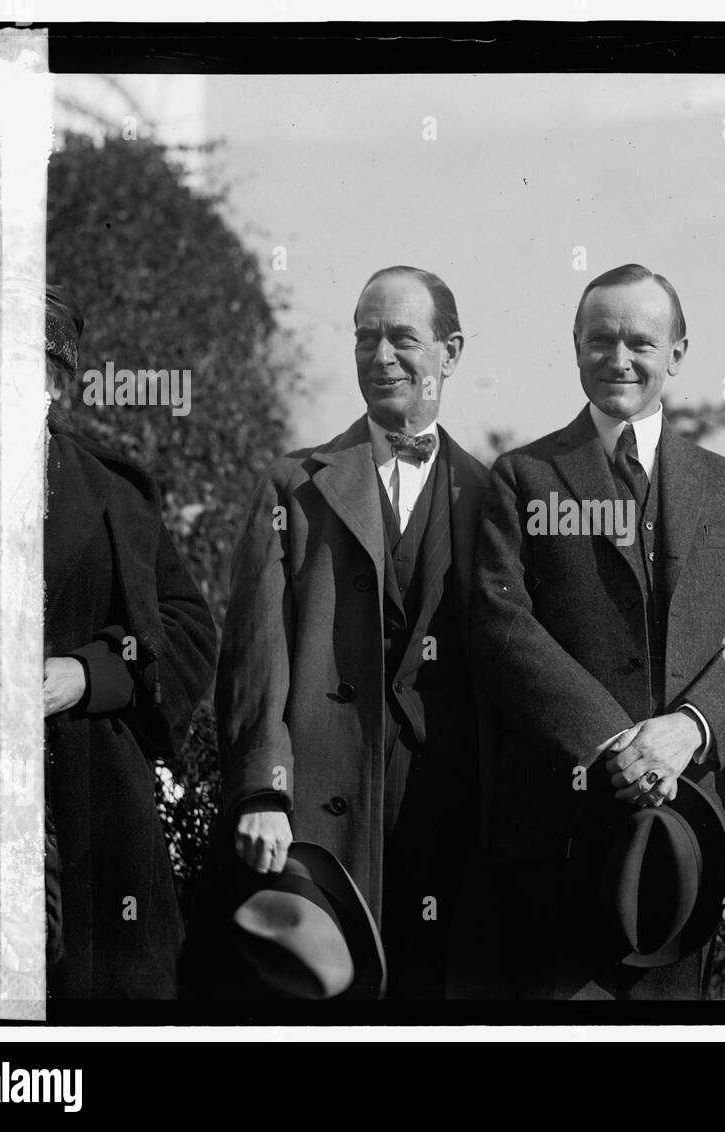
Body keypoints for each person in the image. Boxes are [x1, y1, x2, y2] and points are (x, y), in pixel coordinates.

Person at [473, 263, 725, 999]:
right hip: (563, 833)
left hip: (691, 837)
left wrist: (691, 726)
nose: (619, 359)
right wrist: (615, 743)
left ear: (677, 353)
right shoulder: (523, 477)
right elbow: (499, 623)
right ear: (576, 347)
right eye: (600, 340)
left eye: (641, 343)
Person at [204, 266, 487, 999]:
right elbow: (253, 655)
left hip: (448, 811)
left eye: (403, 338)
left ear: (450, 354)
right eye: (366, 337)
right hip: (320, 810)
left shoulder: (495, 495)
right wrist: (264, 791)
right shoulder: (293, 485)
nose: (382, 355)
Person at [40, 282, 217, 1000]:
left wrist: (87, 675)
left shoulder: (112, 494)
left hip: (92, 801)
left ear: (56, 386)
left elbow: (187, 632)